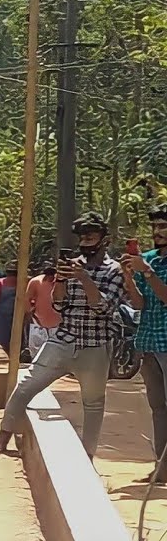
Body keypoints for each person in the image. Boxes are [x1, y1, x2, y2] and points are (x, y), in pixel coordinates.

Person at [0, 212, 126, 457]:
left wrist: (85, 279)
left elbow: (104, 308)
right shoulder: (71, 266)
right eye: (82, 237)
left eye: (91, 236)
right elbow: (58, 304)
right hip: (63, 339)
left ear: (104, 240)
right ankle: (2, 437)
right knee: (25, 387)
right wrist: (62, 281)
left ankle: (88, 456)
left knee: (94, 404)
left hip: (95, 346)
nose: (86, 241)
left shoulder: (114, 271)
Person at [122, 205, 167, 483]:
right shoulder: (148, 258)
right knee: (158, 408)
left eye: (164, 226)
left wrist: (148, 273)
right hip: (148, 341)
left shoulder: (149, 265)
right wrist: (129, 276)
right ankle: (161, 467)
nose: (158, 232)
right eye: (155, 227)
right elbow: (139, 303)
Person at [25, 262, 62, 359]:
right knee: (36, 354)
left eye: (52, 274)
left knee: (56, 356)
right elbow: (27, 300)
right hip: (39, 323)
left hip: (59, 325)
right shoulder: (35, 282)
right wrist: (31, 312)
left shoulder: (62, 283)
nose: (49, 277)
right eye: (47, 274)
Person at [0, 264, 22, 355]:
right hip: (18, 317)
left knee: (1, 341)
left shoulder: (0, 283)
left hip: (3, 317)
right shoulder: (23, 283)